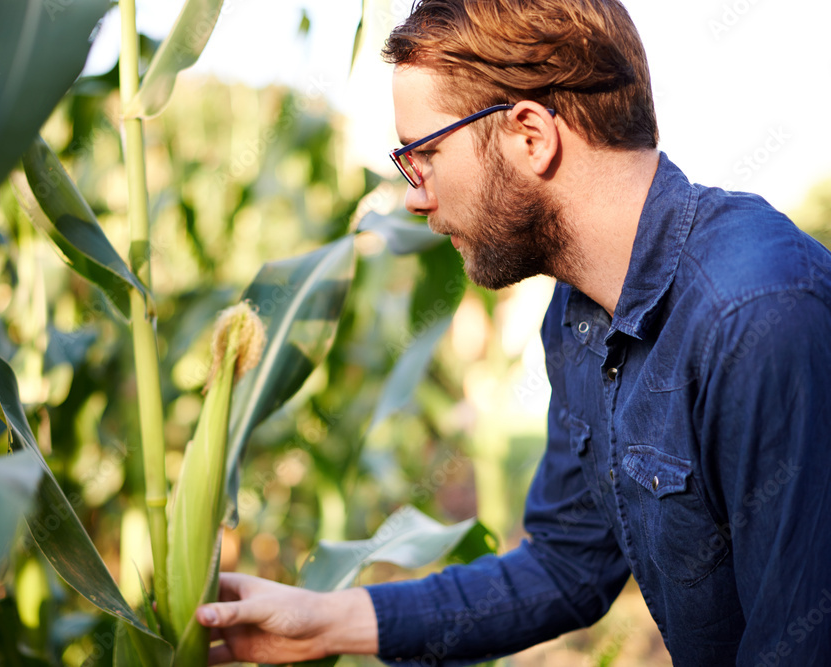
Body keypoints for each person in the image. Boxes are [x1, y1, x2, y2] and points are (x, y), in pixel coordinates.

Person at [195, 0, 831, 664]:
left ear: (530, 134)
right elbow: (567, 565)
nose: (415, 195)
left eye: (425, 153)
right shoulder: (580, 315)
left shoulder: (758, 315)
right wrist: (322, 619)